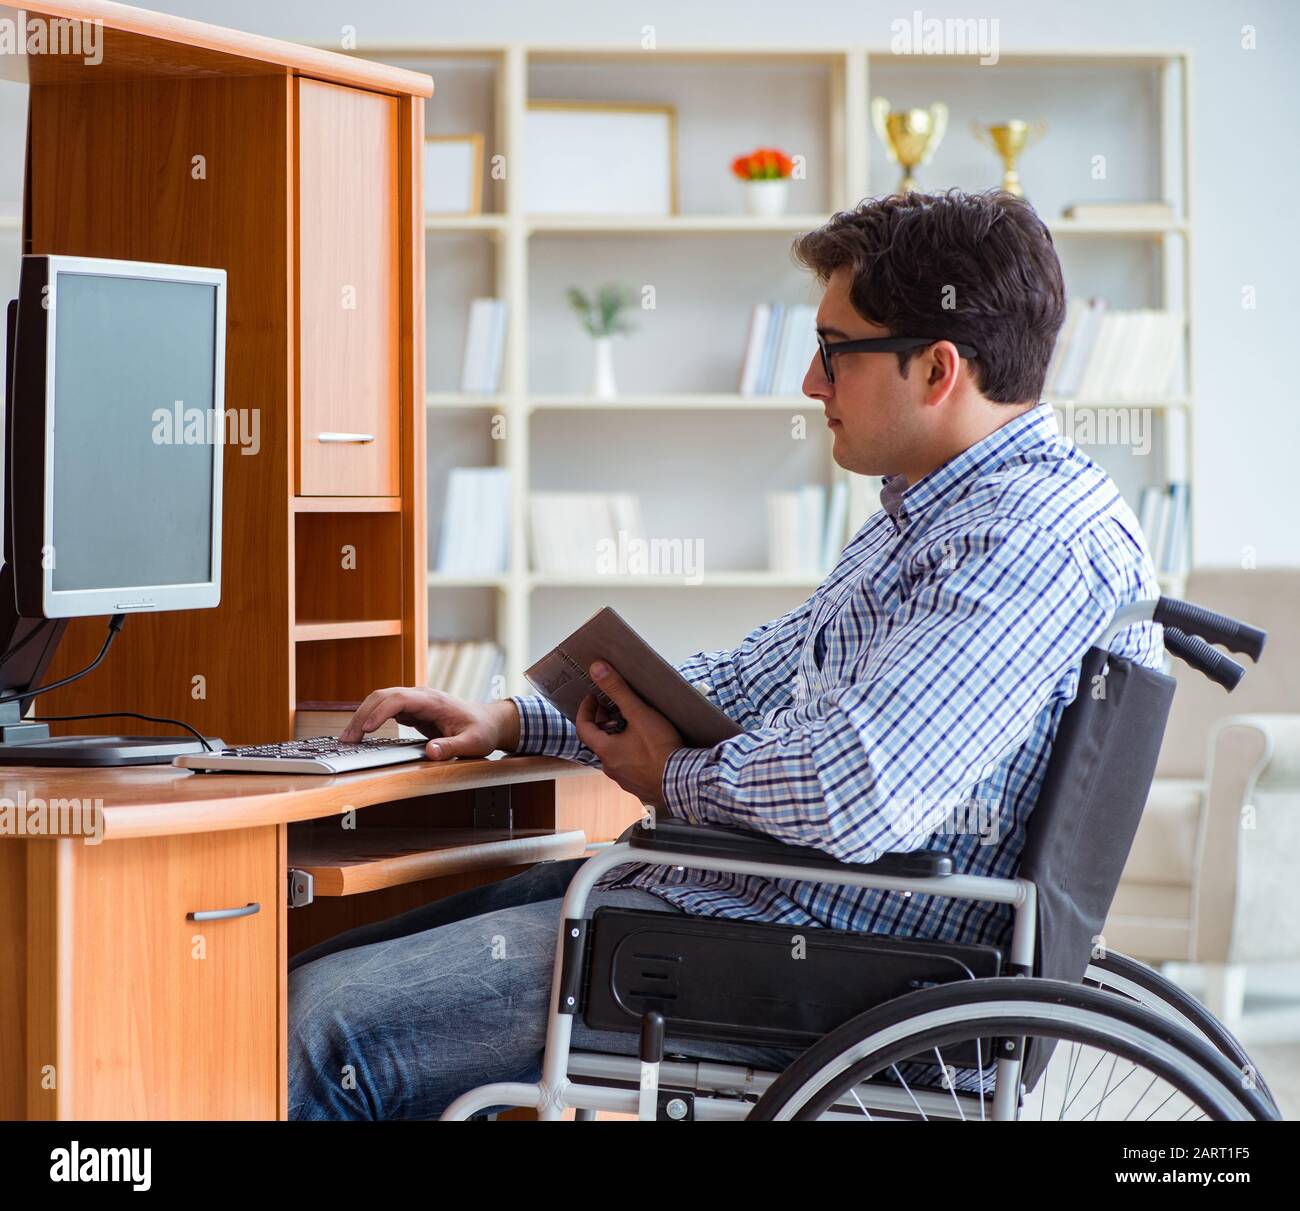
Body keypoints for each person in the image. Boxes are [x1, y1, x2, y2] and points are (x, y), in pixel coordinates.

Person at [288, 188, 1161, 1120]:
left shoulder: (1024, 542)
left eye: (833, 352)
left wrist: (674, 777)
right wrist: (515, 717)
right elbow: (749, 679)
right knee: (310, 966)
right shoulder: (937, 514)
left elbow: (852, 788)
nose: (810, 385)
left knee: (320, 1028)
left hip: (815, 954)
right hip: (744, 911)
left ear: (938, 368)